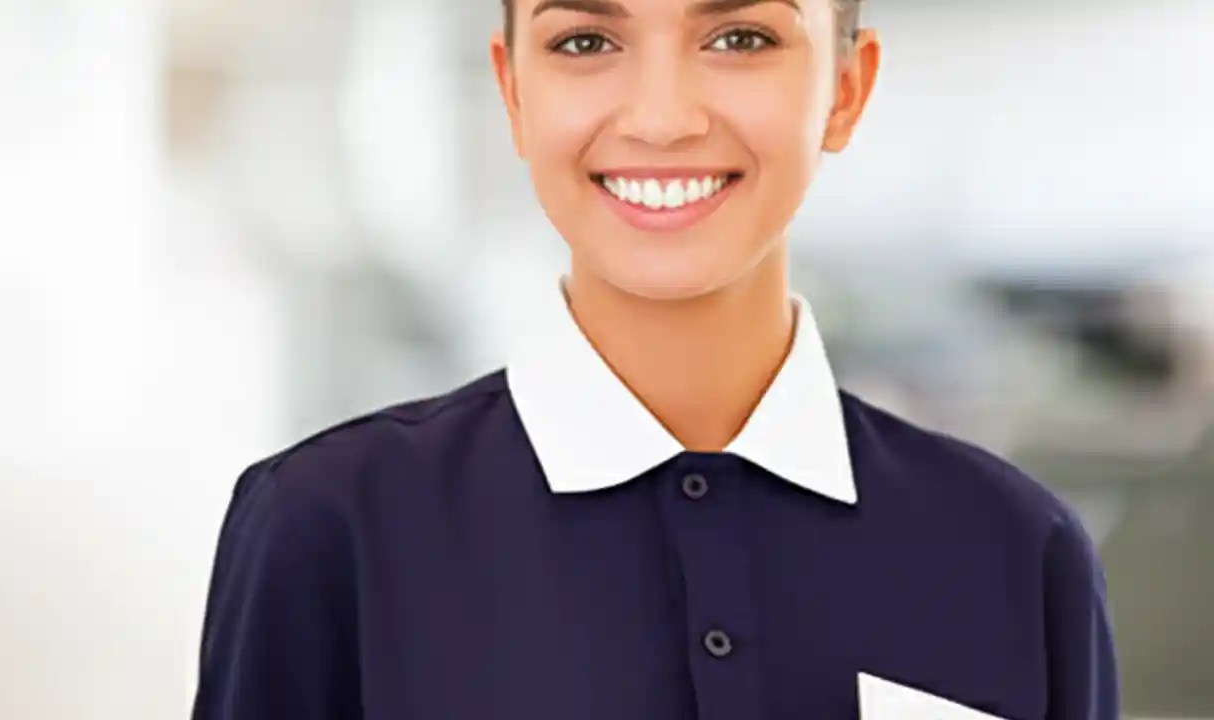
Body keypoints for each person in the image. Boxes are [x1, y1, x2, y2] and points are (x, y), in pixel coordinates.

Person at [190, 0, 1120, 717]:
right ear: (514, 92)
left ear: (845, 89)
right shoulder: (331, 528)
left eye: (741, 37)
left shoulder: (1012, 548)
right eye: (587, 42)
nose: (663, 119)